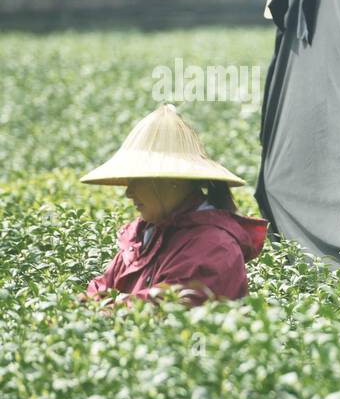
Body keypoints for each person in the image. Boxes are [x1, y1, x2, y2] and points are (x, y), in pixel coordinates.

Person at [80, 104, 268, 305]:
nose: (128, 192)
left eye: (137, 180)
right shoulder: (143, 236)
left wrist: (100, 308)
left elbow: (163, 308)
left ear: (172, 179)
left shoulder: (214, 247)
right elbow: (100, 289)